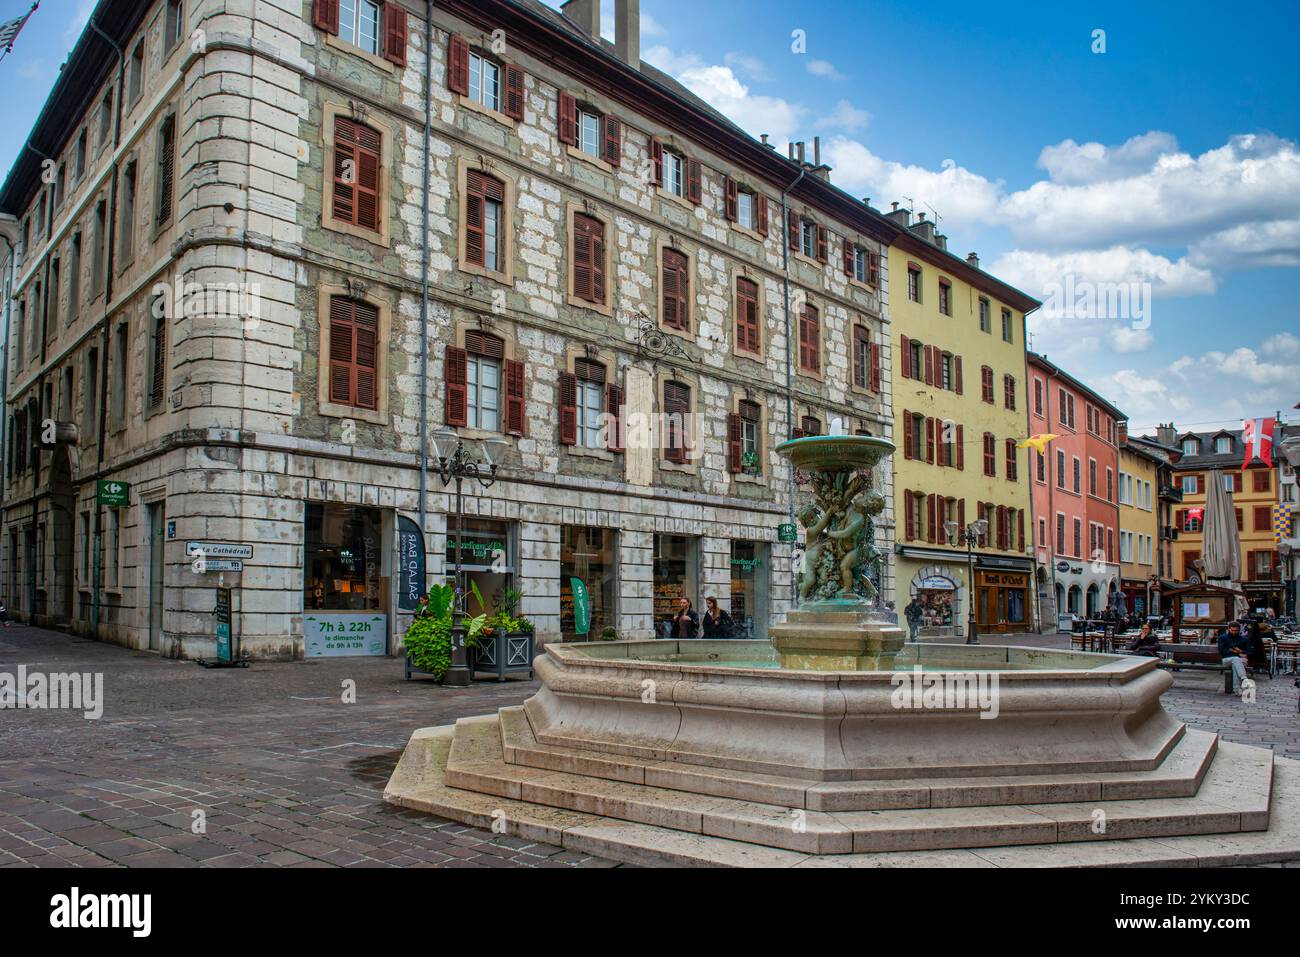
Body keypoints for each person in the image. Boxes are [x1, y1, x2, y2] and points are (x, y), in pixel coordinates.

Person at [1217, 621, 1252, 691]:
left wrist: (1241, 651)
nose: (1234, 632)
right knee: (1236, 659)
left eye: (1236, 631)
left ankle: (1237, 689)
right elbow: (1222, 651)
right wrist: (1238, 653)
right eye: (1232, 630)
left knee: (1235, 664)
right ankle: (1244, 678)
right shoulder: (1222, 638)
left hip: (1241, 661)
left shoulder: (1244, 639)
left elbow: (1250, 652)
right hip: (1226, 660)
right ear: (1228, 629)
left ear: (1239, 630)